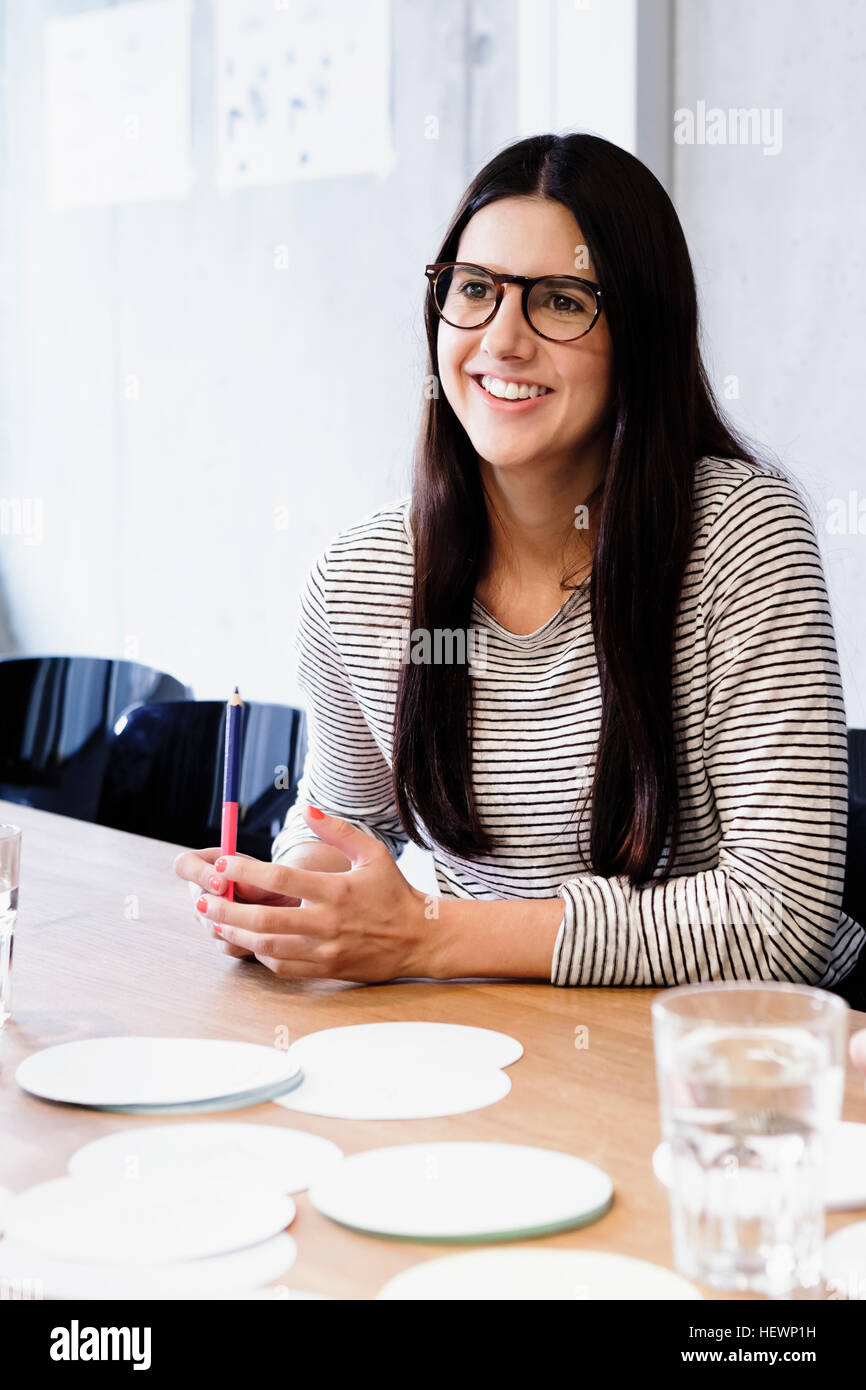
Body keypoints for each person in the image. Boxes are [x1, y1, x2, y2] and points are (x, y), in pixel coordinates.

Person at [174, 133, 863, 992]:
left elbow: (780, 920)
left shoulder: (738, 534)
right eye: (474, 290)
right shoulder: (362, 578)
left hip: (741, 1057)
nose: (501, 340)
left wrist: (424, 937)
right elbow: (341, 823)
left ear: (639, 334)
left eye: (562, 301)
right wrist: (300, 898)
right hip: (509, 1044)